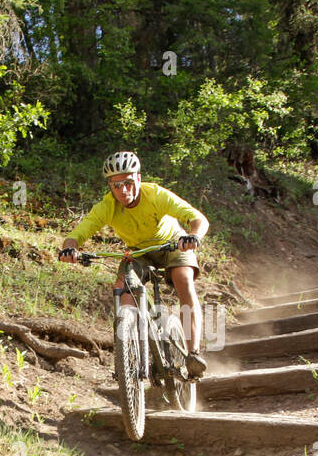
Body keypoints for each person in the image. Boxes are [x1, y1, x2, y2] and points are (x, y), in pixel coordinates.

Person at [58, 151, 210, 378]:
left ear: (138, 178)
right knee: (123, 292)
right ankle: (127, 356)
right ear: (110, 186)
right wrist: (69, 248)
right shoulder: (107, 206)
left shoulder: (155, 194)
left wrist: (193, 236)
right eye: (116, 185)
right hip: (140, 252)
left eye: (128, 182)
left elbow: (197, 218)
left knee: (183, 280)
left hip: (173, 246)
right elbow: (77, 234)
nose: (123, 190)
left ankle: (193, 353)